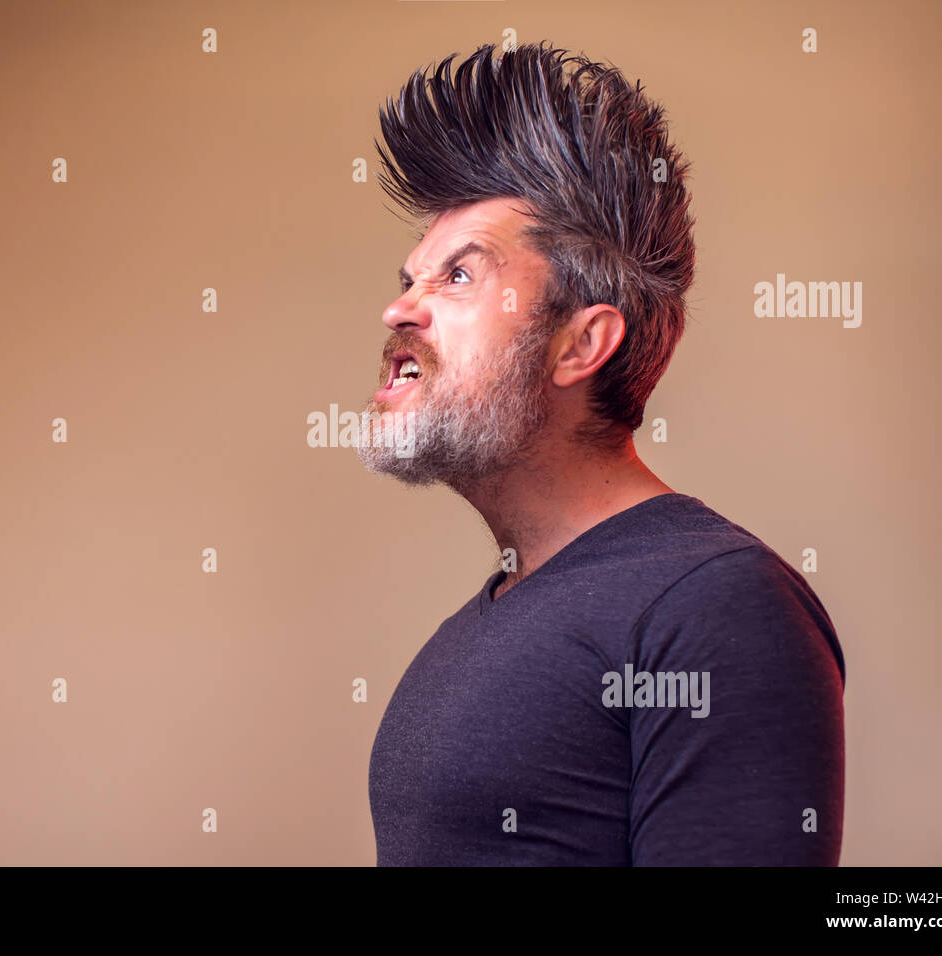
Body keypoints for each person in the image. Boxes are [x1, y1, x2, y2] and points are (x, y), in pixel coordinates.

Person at [357, 42, 846, 865]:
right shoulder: (477, 629)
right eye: (410, 278)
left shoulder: (717, 607)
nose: (399, 310)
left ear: (580, 345)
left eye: (459, 278)